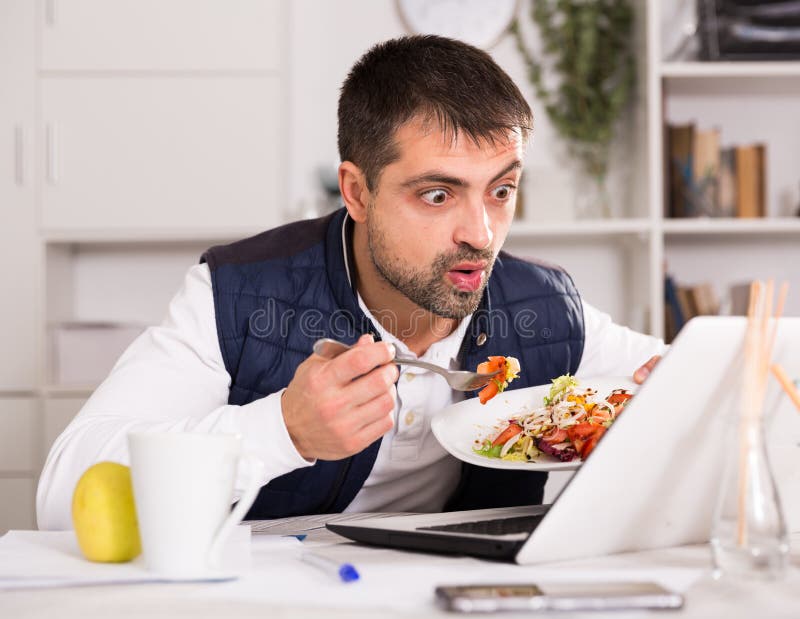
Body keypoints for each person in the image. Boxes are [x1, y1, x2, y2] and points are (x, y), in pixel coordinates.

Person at [37, 36, 664, 530]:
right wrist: (284, 429)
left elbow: (681, 381)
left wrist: (677, 395)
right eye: (438, 194)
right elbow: (63, 496)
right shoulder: (236, 295)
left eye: (501, 191)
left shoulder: (547, 308)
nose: (481, 233)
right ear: (357, 191)